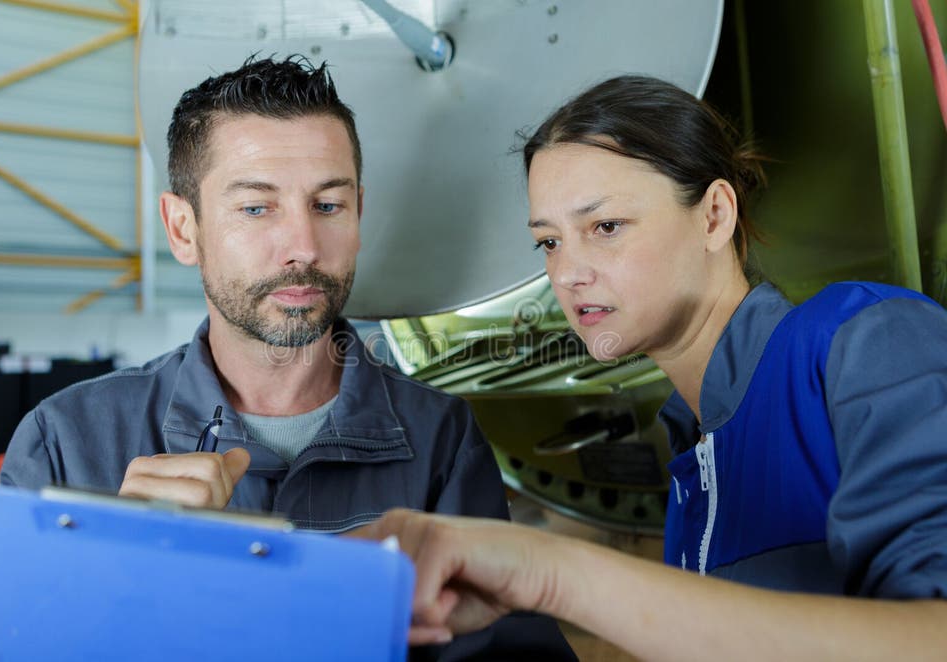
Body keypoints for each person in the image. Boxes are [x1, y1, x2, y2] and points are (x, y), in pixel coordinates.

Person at [0, 56, 576, 661]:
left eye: (327, 205)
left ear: (358, 212)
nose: (302, 247)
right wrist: (111, 579)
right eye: (256, 208)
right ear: (182, 229)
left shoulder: (440, 438)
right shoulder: (66, 440)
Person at [356, 75, 947, 659]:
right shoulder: (693, 465)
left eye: (605, 227)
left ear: (715, 215)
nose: (566, 274)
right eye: (549, 242)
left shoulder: (868, 339)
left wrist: (553, 572)